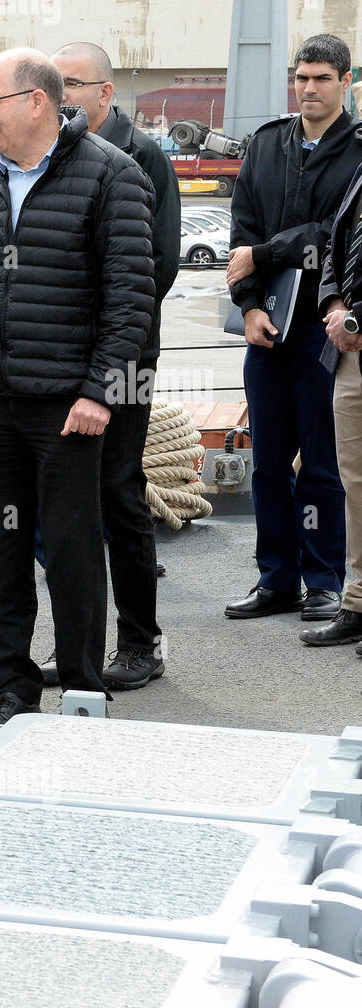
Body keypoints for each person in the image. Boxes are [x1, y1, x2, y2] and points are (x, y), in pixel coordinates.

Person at [0, 48, 155, 724]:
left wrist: (99, 392)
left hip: (69, 410)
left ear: (37, 101)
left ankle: (84, 689)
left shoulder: (111, 177)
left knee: (72, 554)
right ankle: (10, 691)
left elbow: (131, 300)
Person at [35, 42, 180, 690]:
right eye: (54, 83)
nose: (62, 94)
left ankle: (141, 642)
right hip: (66, 360)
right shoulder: (54, 155)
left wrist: (100, 345)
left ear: (105, 93)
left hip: (126, 359)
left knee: (119, 489)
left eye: (73, 83)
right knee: (71, 500)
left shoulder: (142, 156)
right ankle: (77, 645)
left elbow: (160, 264)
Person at [224, 34, 362, 626]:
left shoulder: (358, 152)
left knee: (324, 463)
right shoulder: (267, 144)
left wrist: (264, 251)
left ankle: (324, 579)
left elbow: (330, 238)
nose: (308, 88)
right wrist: (250, 304)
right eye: (301, 77)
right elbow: (240, 231)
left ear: (346, 82)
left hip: (324, 332)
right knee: (268, 462)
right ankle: (275, 577)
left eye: (322, 78)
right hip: (268, 330)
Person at [302, 160, 362, 649]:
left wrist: (355, 318)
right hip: (349, 354)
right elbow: (333, 252)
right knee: (355, 483)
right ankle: (358, 602)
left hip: (355, 336)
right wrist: (334, 305)